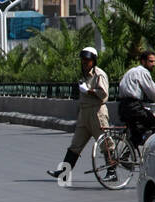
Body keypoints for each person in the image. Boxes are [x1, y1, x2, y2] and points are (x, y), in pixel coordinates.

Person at [48, 46, 113, 182]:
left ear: (93, 61)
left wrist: (89, 91)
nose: (84, 62)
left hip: (96, 113)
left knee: (105, 143)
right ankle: (64, 172)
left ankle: (112, 171)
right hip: (84, 113)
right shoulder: (83, 75)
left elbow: (104, 94)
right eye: (83, 60)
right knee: (75, 144)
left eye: (87, 60)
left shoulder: (99, 74)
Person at [117, 50, 155, 148]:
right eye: (151, 61)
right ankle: (150, 149)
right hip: (133, 106)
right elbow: (152, 91)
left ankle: (125, 156)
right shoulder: (143, 72)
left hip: (123, 106)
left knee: (136, 133)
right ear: (143, 61)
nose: (153, 64)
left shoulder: (131, 71)